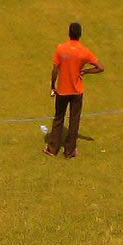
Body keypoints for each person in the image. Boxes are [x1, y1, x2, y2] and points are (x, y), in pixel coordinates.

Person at [43, 22, 104, 159]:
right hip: (77, 92)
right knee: (74, 120)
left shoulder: (61, 49)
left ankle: (52, 149)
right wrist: (86, 71)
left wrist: (53, 85)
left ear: (69, 33)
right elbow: (101, 67)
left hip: (62, 91)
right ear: (80, 34)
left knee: (58, 118)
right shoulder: (84, 51)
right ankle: (69, 151)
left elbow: (55, 70)